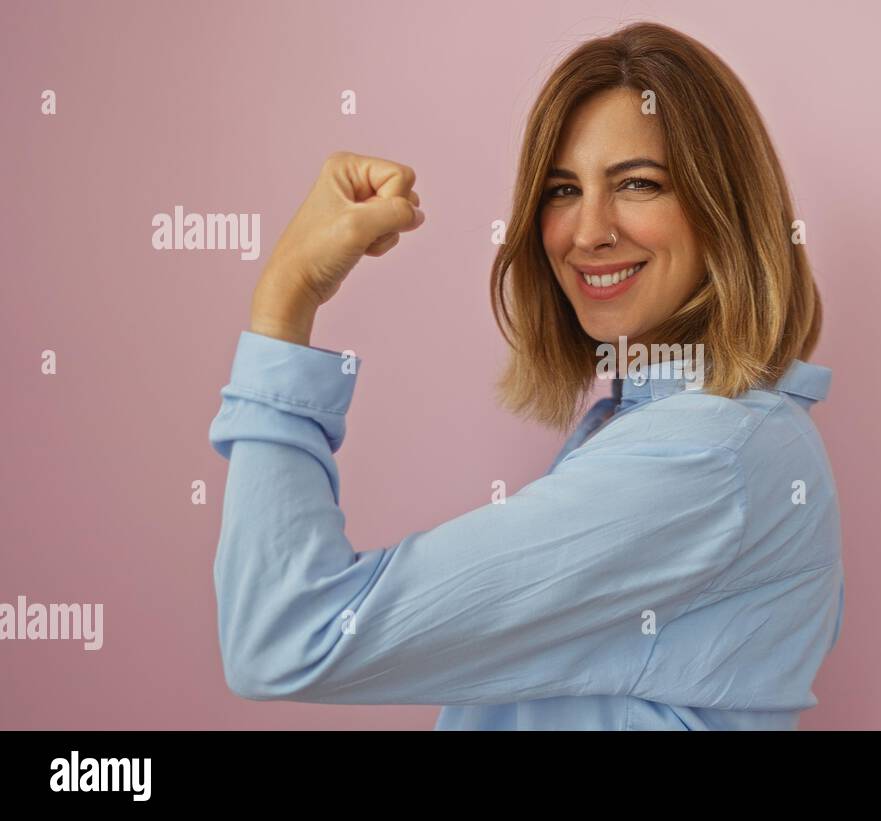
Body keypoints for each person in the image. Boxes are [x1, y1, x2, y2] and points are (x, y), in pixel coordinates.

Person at [209, 21, 844, 730]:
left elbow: (287, 635)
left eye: (638, 183)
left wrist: (285, 296)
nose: (588, 230)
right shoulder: (674, 428)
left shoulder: (704, 458)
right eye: (562, 189)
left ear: (725, 211)